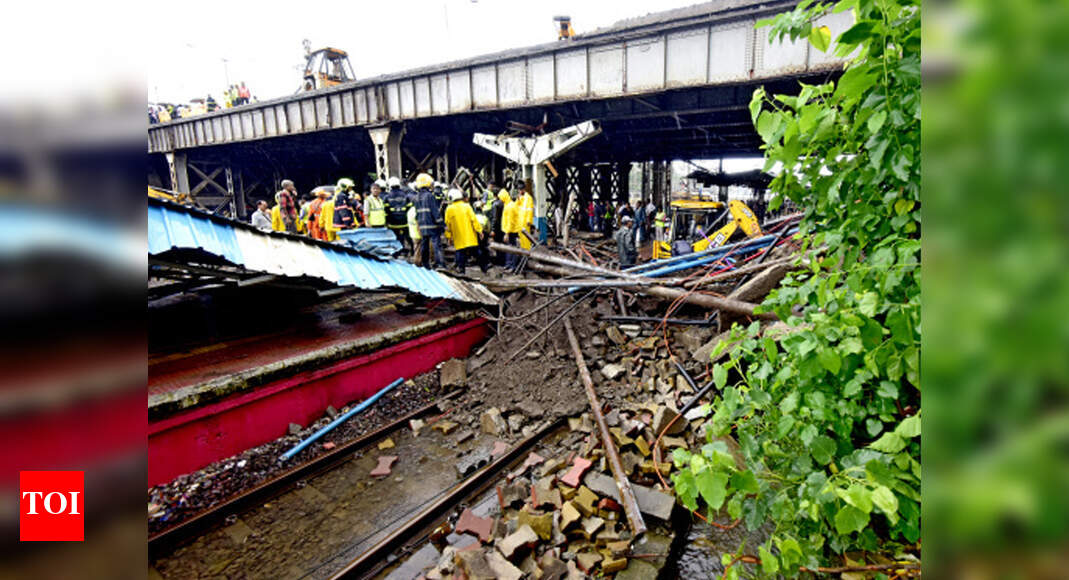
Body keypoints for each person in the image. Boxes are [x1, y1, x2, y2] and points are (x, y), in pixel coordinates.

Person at [443, 189, 484, 275]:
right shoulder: (467, 206)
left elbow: (447, 225)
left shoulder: (449, 209)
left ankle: (461, 271)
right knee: (476, 252)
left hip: (458, 237)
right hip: (470, 236)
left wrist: (448, 237)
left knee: (460, 253)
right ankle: (484, 267)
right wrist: (479, 231)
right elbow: (474, 220)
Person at [413, 173, 446, 269]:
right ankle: (440, 264)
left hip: (422, 225)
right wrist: (442, 224)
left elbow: (417, 214)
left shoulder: (416, 197)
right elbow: (435, 212)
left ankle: (425, 263)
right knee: (436, 245)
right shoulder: (430, 196)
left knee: (425, 244)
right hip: (432, 225)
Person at [383, 176, 412, 254]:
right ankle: (412, 250)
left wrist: (387, 221)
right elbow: (409, 208)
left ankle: (397, 251)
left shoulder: (387, 197)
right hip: (404, 220)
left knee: (396, 237)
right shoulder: (405, 195)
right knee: (408, 235)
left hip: (393, 222)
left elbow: (386, 211)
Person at [501, 189, 523, 273]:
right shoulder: (511, 205)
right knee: (510, 248)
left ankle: (511, 266)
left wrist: (506, 233)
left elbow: (510, 221)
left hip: (511, 231)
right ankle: (509, 265)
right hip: (513, 230)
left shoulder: (509, 207)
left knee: (511, 249)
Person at [516, 179, 535, 249]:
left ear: (523, 190)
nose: (519, 192)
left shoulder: (528, 198)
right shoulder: (520, 198)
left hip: (525, 221)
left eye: (520, 190)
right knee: (521, 237)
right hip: (520, 221)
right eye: (519, 190)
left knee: (526, 237)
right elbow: (516, 207)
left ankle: (527, 250)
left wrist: (529, 221)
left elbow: (530, 210)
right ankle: (522, 250)